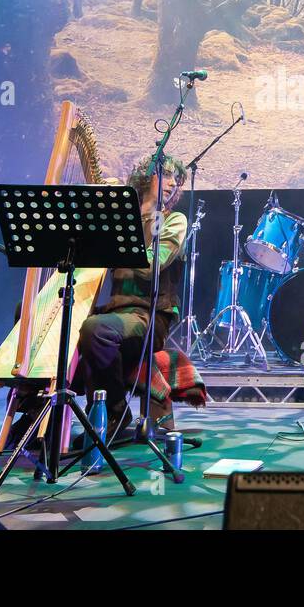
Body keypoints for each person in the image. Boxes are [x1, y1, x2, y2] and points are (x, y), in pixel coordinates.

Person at [75, 154, 188, 433]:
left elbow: (152, 266)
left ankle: (114, 412)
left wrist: (123, 230)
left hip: (149, 316)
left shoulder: (173, 221)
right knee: (26, 312)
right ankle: (34, 416)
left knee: (96, 329)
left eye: (177, 179)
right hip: (117, 312)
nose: (172, 183)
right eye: (165, 175)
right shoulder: (121, 221)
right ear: (145, 177)